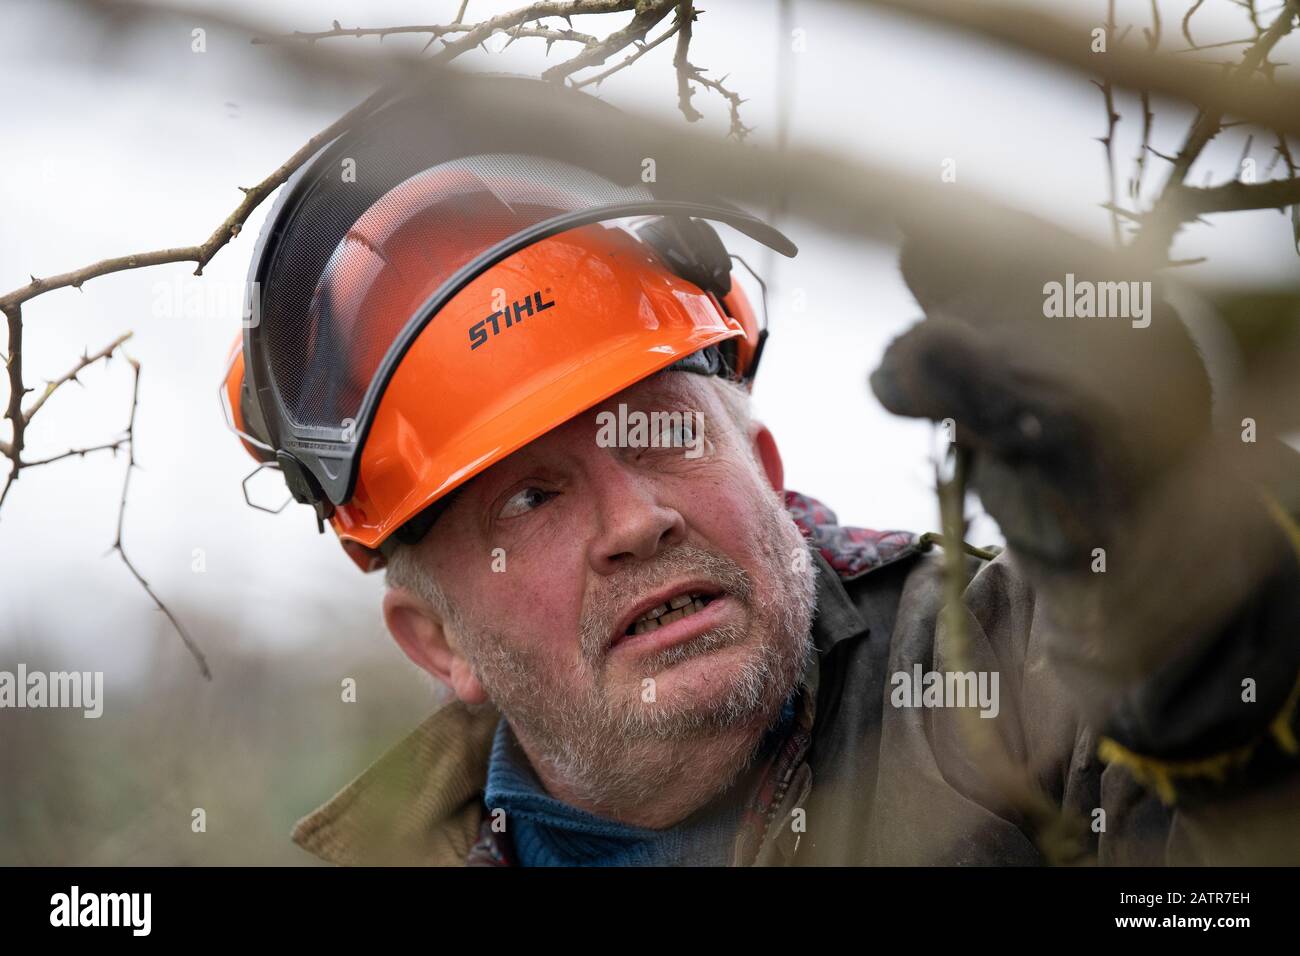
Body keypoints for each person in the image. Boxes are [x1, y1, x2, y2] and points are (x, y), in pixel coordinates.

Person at [226, 87, 1300, 867]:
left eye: (661, 431)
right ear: (438, 640)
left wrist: (1210, 602)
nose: (637, 519)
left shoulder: (1029, 677)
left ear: (767, 472)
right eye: (532, 495)